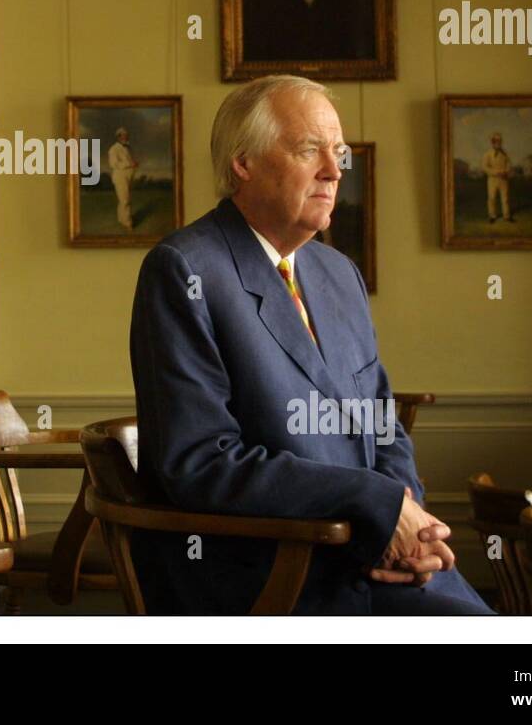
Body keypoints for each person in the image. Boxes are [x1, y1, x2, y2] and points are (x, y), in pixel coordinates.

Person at [128, 75, 494, 614]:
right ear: (243, 162)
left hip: (371, 551)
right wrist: (377, 505)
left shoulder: (338, 271)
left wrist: (407, 518)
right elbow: (201, 463)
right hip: (273, 572)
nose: (334, 168)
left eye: (339, 151)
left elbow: (381, 423)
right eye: (309, 149)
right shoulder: (184, 269)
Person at [108, 127, 139, 232]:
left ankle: (121, 219)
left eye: (127, 135)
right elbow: (114, 164)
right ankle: (128, 223)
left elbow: (128, 162)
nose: (126, 137)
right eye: (123, 135)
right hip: (120, 177)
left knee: (124, 199)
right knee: (125, 200)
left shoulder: (127, 148)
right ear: (119, 136)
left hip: (127, 176)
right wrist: (131, 164)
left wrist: (133, 165)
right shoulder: (113, 149)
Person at [481, 132, 514, 223]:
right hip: (492, 180)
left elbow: (509, 165)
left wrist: (506, 171)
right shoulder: (487, 154)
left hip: (504, 179)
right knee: (491, 198)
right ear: (492, 142)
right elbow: (484, 167)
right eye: (496, 142)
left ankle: (507, 216)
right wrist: (495, 172)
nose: (499, 143)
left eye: (500, 142)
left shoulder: (505, 153)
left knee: (505, 198)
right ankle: (492, 216)